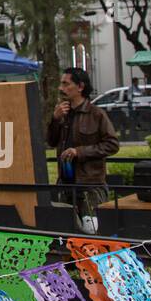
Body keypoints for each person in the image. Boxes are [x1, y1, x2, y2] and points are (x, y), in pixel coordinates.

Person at [48, 67, 120, 233]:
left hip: (90, 186)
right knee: (66, 234)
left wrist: (79, 152)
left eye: (66, 84)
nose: (61, 88)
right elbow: (51, 141)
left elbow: (112, 144)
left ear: (80, 87)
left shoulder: (96, 114)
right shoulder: (62, 114)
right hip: (65, 185)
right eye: (61, 84)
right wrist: (55, 120)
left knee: (91, 232)